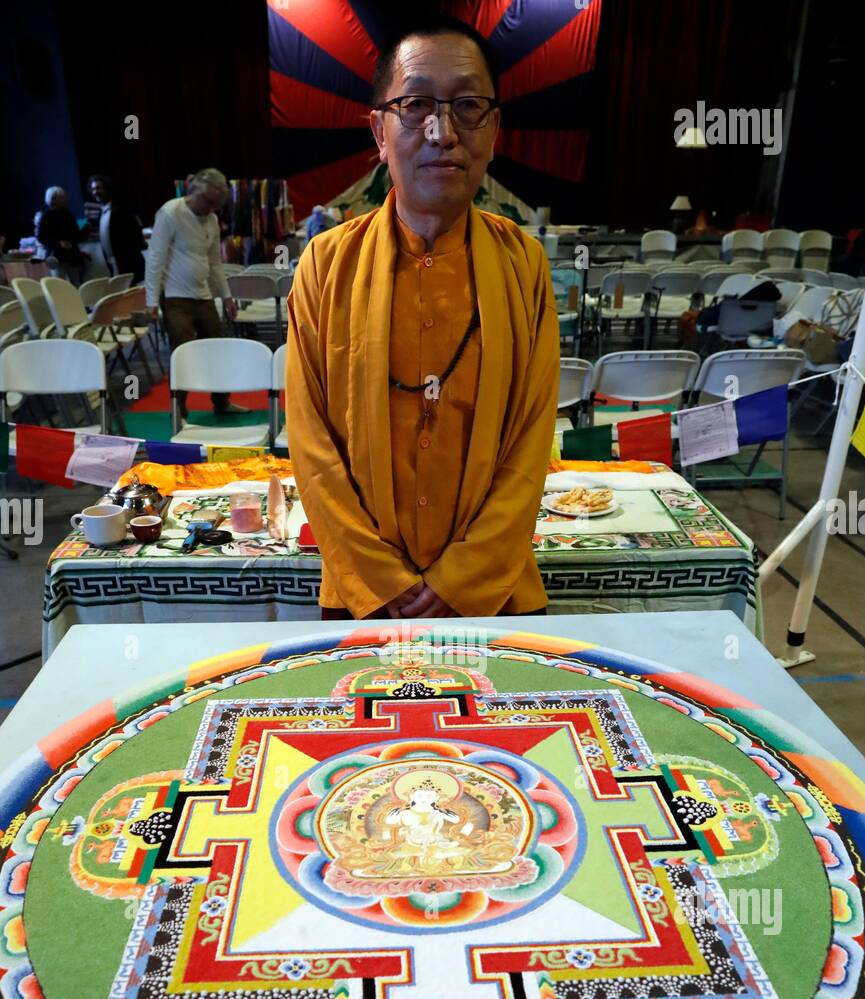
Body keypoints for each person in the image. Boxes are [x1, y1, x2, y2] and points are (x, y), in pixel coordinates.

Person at [285, 17, 558, 619]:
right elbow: (310, 445)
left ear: (494, 130)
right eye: (415, 106)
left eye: (467, 105)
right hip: (364, 596)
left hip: (494, 594)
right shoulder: (326, 265)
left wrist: (464, 577)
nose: (442, 132)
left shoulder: (523, 265)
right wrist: (381, 578)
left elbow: (532, 441)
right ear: (380, 131)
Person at [145, 168, 248, 418]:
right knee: (183, 353)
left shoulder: (211, 219)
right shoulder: (170, 213)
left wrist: (226, 296)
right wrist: (151, 301)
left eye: (217, 205)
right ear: (195, 192)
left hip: (204, 297)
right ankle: (178, 409)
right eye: (209, 202)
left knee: (216, 349)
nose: (212, 209)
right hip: (175, 299)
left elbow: (214, 262)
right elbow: (155, 258)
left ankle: (222, 403)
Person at [85, 175, 147, 283]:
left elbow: (135, 232)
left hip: (128, 263)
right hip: (114, 263)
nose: (95, 192)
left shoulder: (121, 209)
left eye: (98, 188)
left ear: (107, 188)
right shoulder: (101, 212)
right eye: (93, 189)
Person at [34, 188, 87, 284]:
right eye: (60, 198)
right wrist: (58, 243)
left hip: (72, 255)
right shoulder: (45, 217)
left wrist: (75, 239)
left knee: (77, 283)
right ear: (52, 199)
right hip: (55, 256)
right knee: (59, 284)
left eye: (63, 197)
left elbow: (76, 234)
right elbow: (41, 237)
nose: (63, 200)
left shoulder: (68, 215)